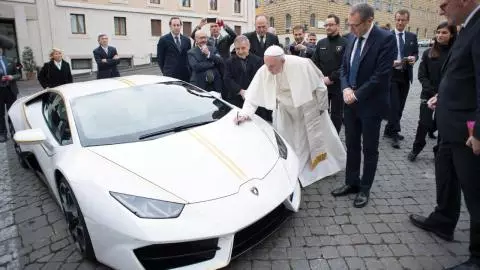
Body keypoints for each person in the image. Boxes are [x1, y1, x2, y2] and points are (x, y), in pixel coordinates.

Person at [409, 0, 480, 268]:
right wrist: (443, 95)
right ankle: (443, 220)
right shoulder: (467, 26)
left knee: (475, 192)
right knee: (446, 176)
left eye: (444, 3)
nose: (440, 9)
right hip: (450, 127)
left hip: (468, 132)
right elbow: (463, 76)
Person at [234, 45, 346, 187]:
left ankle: (321, 167)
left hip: (307, 108)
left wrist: (322, 108)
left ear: (283, 61)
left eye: (272, 66)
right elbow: (252, 95)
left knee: (311, 139)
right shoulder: (265, 69)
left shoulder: (302, 64)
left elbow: (320, 87)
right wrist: (245, 113)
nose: (269, 70)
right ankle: (292, 168)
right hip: (285, 110)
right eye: (267, 65)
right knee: (288, 140)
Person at [330, 3, 397, 208]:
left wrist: (356, 94)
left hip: (371, 105)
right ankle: (352, 182)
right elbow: (343, 68)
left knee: (369, 148)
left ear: (369, 21)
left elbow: (381, 75)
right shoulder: (351, 37)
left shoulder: (386, 39)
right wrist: (345, 89)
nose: (351, 29)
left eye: (355, 25)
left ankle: (365, 188)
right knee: (351, 145)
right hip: (350, 103)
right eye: (349, 24)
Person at [407, 22, 457, 162]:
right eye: (438, 32)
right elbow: (422, 75)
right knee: (423, 123)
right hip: (428, 95)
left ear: (452, 35)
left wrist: (442, 94)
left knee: (443, 125)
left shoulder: (456, 53)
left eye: (444, 32)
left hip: (447, 96)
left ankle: (439, 152)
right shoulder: (428, 52)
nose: (440, 35)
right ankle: (416, 148)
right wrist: (433, 93)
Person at [384, 9, 419, 149]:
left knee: (401, 106)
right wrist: (391, 62)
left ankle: (388, 129)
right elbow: (381, 56)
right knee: (394, 105)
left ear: (407, 21)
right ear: (395, 19)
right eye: (398, 19)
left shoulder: (412, 36)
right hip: (391, 76)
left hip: (405, 75)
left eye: (403, 20)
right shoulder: (387, 36)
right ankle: (395, 133)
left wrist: (414, 58)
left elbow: (416, 52)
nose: (400, 22)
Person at [311, 14, 348, 133]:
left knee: (336, 115)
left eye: (331, 25)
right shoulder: (321, 43)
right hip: (322, 85)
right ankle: (323, 137)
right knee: (321, 113)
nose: (328, 27)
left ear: (337, 25)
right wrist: (319, 77)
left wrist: (331, 78)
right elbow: (314, 62)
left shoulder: (345, 43)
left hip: (338, 86)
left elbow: (346, 66)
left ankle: (335, 138)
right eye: (326, 25)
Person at [223, 35, 263, 108]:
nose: (240, 51)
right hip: (235, 99)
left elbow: (260, 79)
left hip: (254, 99)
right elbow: (227, 79)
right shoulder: (229, 62)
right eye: (237, 49)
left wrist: (250, 92)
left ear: (249, 46)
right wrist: (240, 91)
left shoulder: (258, 60)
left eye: (243, 48)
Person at [157, 17, 191, 81]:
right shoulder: (163, 40)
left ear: (181, 26)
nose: (176, 27)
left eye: (178, 25)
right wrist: (166, 71)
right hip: (170, 75)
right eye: (174, 25)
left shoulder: (187, 40)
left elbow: (188, 57)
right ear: (170, 26)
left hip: (185, 75)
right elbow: (160, 58)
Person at [0, 42, 21, 143]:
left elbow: (18, 75)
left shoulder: (9, 61)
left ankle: (14, 131)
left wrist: (12, 77)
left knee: (12, 112)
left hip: (10, 90)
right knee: (0, 114)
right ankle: (2, 133)